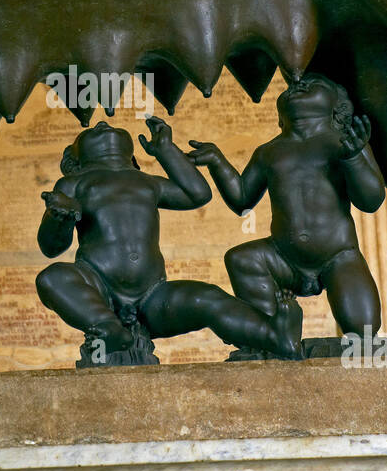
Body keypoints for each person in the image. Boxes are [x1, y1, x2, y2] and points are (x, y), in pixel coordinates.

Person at [36, 117, 302, 367]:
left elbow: (197, 194)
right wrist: (59, 216)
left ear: (132, 158)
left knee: (207, 299)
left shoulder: (148, 182)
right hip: (98, 287)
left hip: (154, 296)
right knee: (51, 278)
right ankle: (106, 325)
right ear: (76, 160)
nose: (103, 123)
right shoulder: (73, 184)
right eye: (91, 130)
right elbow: (51, 248)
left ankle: (273, 336)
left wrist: (166, 150)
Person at [188, 73, 385, 358]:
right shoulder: (270, 152)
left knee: (363, 329)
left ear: (337, 106)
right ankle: (272, 335)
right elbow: (242, 200)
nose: (299, 85)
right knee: (242, 258)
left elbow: (371, 201)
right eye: (292, 86)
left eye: (314, 84)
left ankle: (352, 333)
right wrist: (218, 161)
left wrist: (354, 158)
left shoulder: (345, 142)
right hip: (282, 257)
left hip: (338, 254)